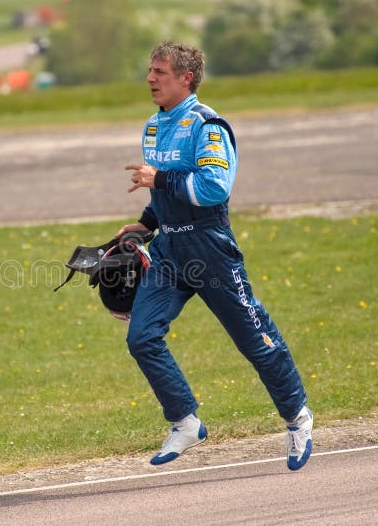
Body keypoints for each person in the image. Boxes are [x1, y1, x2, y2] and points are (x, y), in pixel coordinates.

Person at [115, 41, 313, 470]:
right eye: (149, 70)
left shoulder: (208, 126)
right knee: (141, 337)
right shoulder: (152, 127)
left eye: (160, 72)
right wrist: (146, 224)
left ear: (186, 78)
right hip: (168, 248)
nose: (150, 78)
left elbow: (213, 189)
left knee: (254, 341)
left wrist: (160, 179)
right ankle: (185, 420)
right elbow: (162, 192)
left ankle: (297, 416)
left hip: (209, 248)